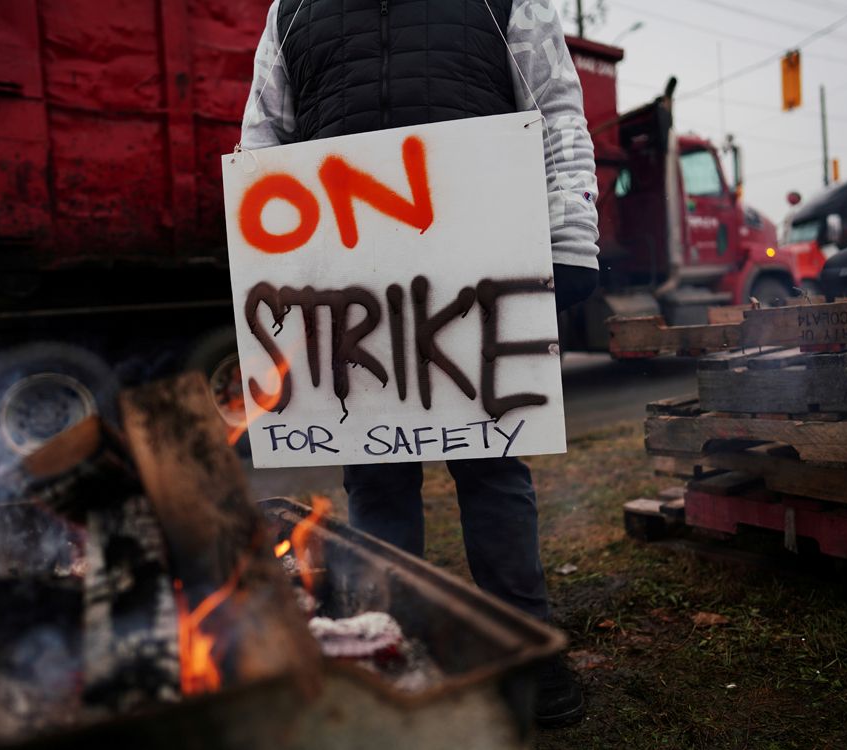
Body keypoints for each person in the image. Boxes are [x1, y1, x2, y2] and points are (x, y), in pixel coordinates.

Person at [240, 0, 599, 727]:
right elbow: (262, 142)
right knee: (375, 477)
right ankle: (391, 651)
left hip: (475, 273)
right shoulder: (292, 10)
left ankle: (526, 650)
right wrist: (261, 268)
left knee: (491, 468)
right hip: (349, 284)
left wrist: (570, 237)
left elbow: (556, 110)